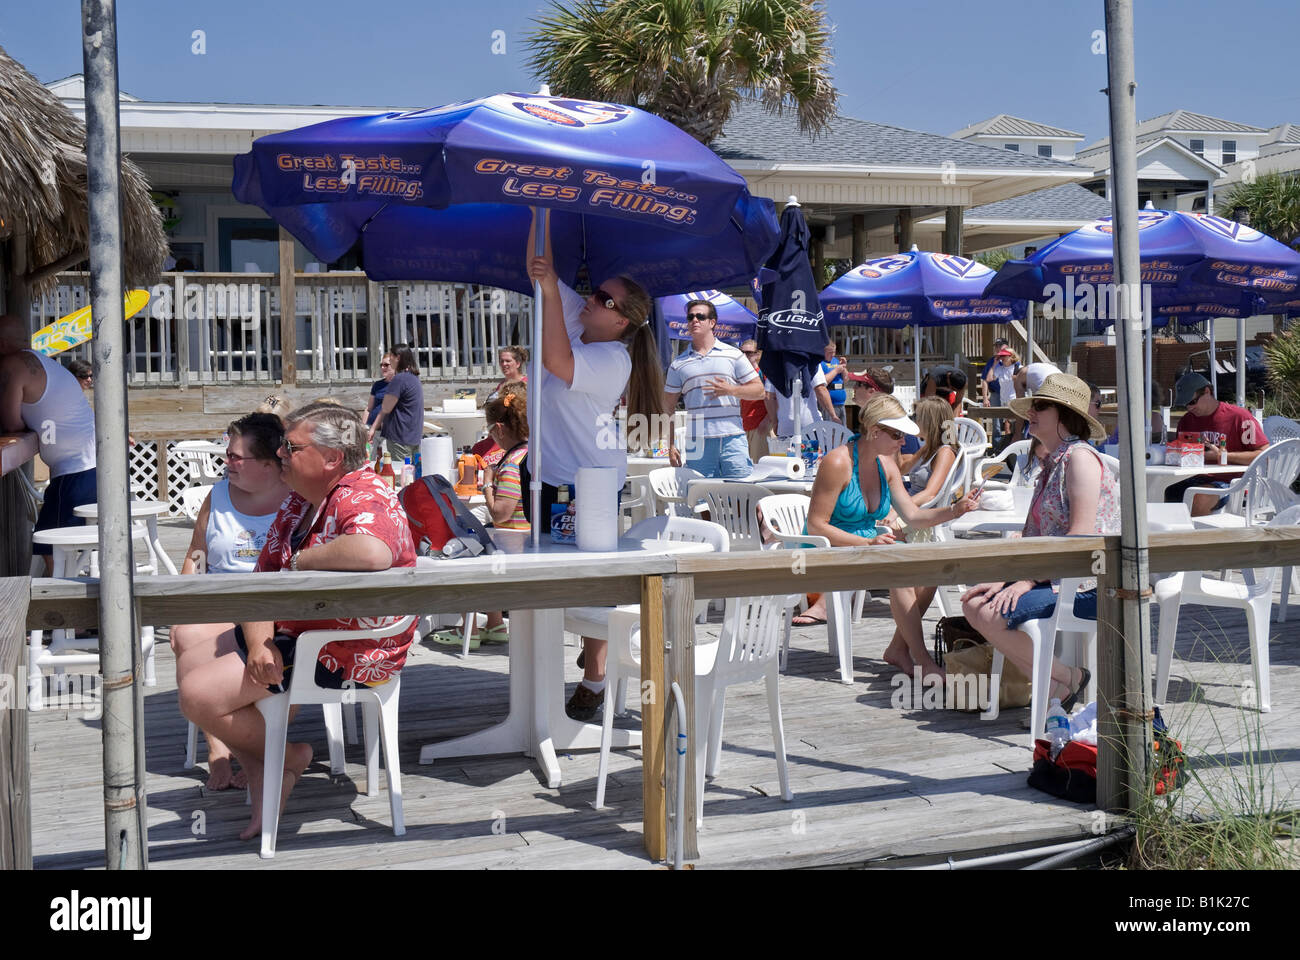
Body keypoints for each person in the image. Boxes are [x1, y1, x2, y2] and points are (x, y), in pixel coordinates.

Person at [175, 402, 417, 840]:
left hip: (344, 651)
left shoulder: (361, 493)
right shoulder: (298, 503)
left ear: (332, 458)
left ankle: (286, 759)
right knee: (193, 656)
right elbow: (260, 582)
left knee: (197, 694)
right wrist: (258, 643)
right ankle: (274, 768)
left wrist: (303, 559)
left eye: (291, 446)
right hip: (302, 634)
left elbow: (371, 551)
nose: (281, 453)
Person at [524, 214, 665, 723]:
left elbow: (558, 362)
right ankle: (557, 676)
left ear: (621, 319)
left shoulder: (612, 357)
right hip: (547, 474)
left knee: (587, 582)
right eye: (593, 292)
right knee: (548, 577)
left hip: (587, 485)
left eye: (603, 299)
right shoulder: (586, 328)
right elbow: (539, 269)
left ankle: (595, 675)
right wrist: (538, 207)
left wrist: (548, 288)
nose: (591, 298)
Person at [960, 373, 1119, 711]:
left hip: (1088, 585)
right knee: (972, 601)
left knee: (989, 614)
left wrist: (1027, 580)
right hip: (1058, 577)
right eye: (1032, 404)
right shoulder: (1054, 460)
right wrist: (1009, 578)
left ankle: (1065, 680)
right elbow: (1037, 538)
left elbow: (1080, 536)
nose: (1031, 411)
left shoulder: (1079, 459)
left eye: (1041, 406)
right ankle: (1060, 683)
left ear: (1066, 414)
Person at [802, 393, 981, 676]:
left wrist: (955, 510)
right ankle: (923, 661)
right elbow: (816, 526)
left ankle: (898, 650)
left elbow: (913, 516)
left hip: (868, 545)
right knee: (901, 572)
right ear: (874, 432)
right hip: (828, 548)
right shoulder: (837, 463)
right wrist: (867, 541)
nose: (903, 442)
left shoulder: (886, 465)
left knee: (931, 573)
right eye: (897, 434)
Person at [174, 413, 290, 790]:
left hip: (274, 614)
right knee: (186, 634)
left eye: (237, 457)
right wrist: (183, 603)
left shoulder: (297, 500)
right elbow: (196, 555)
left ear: (271, 463)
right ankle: (220, 748)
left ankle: (255, 753)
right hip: (220, 606)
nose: (227, 463)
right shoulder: (218, 495)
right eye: (227, 454)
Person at [432, 386, 529, 648]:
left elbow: (500, 513)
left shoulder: (511, 464)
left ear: (499, 428)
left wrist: (487, 484)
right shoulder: (527, 454)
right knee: (475, 537)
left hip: (515, 543)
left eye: (489, 431)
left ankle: (470, 629)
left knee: (458, 548)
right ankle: (495, 624)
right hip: (527, 538)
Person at [0, 315, 97, 573]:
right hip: (96, 463)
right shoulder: (44, 361)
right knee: (56, 542)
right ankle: (68, 582)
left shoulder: (12, 364)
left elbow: (10, 424)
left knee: (48, 542)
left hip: (77, 470)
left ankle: (62, 593)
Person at [663, 299, 764, 478]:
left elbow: (759, 391)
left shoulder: (733, 355)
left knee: (741, 497)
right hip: (697, 442)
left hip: (732, 438)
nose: (694, 320)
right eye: (690, 317)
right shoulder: (678, 364)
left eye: (700, 316)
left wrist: (732, 390)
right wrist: (670, 445)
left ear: (712, 322)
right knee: (701, 501)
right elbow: (667, 407)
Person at [1165, 372, 1269, 516]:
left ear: (1207, 392)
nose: (1189, 408)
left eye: (1192, 402)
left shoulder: (1239, 416)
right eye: (1185, 404)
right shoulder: (1186, 421)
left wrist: (1222, 456)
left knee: (1198, 498)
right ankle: (1170, 536)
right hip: (1193, 477)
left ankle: (1199, 537)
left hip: (1234, 482)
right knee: (1162, 492)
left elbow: (1265, 455)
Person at [368, 344, 424, 464]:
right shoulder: (414, 378)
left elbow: (385, 408)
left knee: (401, 476)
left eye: (391, 356)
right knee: (412, 474)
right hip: (413, 436)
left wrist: (372, 429)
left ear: (398, 357)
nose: (390, 359)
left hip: (400, 437)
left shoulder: (399, 379)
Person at [765, 364, 839, 440]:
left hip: (785, 427)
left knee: (787, 452)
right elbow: (820, 389)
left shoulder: (774, 363)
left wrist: (774, 421)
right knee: (816, 451)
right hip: (811, 426)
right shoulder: (813, 361)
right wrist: (833, 416)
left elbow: (768, 396)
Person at [738, 340, 773, 463]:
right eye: (741, 352)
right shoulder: (739, 375)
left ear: (758, 354)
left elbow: (775, 399)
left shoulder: (764, 373)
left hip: (760, 425)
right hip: (744, 426)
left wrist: (767, 420)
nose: (744, 356)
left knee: (760, 466)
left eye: (748, 353)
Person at [363, 356, 395, 431]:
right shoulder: (378, 385)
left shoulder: (399, 385)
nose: (383, 367)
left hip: (387, 430)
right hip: (371, 427)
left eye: (386, 365)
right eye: (381, 365)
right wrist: (364, 428)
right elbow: (368, 409)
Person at [820, 341, 848, 424]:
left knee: (842, 432)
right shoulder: (820, 363)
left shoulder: (835, 361)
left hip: (841, 403)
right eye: (830, 352)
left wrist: (844, 367)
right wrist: (836, 370)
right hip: (829, 405)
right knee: (830, 432)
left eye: (834, 352)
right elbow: (823, 381)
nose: (833, 355)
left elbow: (846, 379)